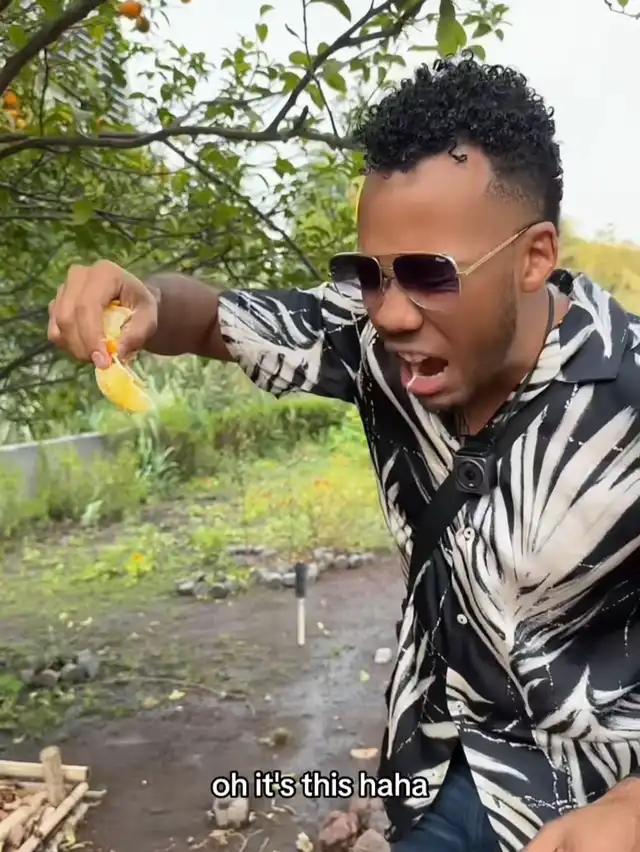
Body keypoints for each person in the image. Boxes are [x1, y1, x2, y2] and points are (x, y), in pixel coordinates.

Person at [48, 56, 640, 852]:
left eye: (429, 274)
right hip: (432, 775)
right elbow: (215, 320)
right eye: (368, 275)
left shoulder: (627, 393)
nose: (390, 315)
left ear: (533, 257)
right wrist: (147, 300)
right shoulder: (369, 344)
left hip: (591, 798)